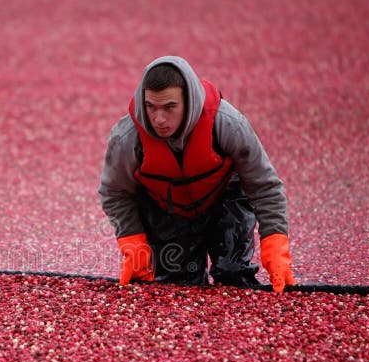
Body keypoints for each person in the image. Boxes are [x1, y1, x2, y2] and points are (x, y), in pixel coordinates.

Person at [99, 56, 295, 292]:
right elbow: (116, 192)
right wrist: (132, 241)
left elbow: (264, 186)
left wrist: (275, 241)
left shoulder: (226, 123)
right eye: (151, 107)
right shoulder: (127, 137)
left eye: (169, 107)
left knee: (233, 275)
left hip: (223, 199)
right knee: (176, 285)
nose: (159, 119)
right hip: (166, 208)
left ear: (188, 101)